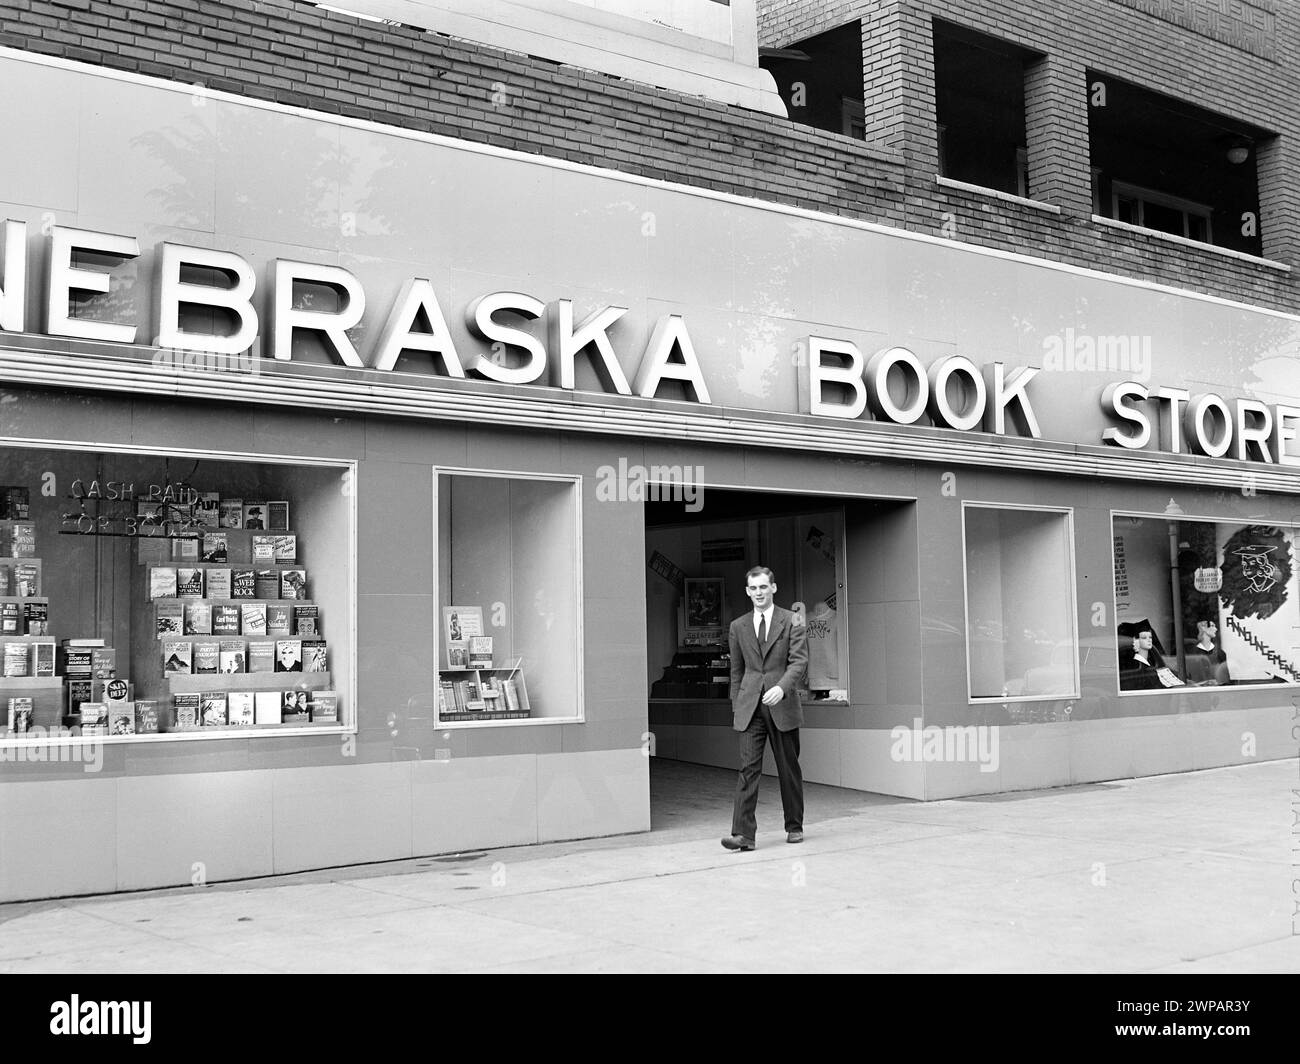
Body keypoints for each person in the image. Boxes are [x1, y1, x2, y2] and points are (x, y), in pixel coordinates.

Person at [721, 566, 809, 851]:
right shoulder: (738, 626)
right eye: (753, 588)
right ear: (747, 591)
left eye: (763, 587)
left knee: (788, 768)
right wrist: (737, 705)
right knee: (748, 770)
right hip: (750, 709)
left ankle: (794, 825)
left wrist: (781, 687)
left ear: (773, 588)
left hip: (781, 705)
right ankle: (743, 835)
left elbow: (799, 662)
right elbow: (736, 671)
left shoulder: (792, 620)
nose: (758, 592)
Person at [1184, 619, 1230, 686]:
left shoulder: (1219, 652)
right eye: (1212, 626)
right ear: (1204, 629)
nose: (1215, 629)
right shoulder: (1195, 651)